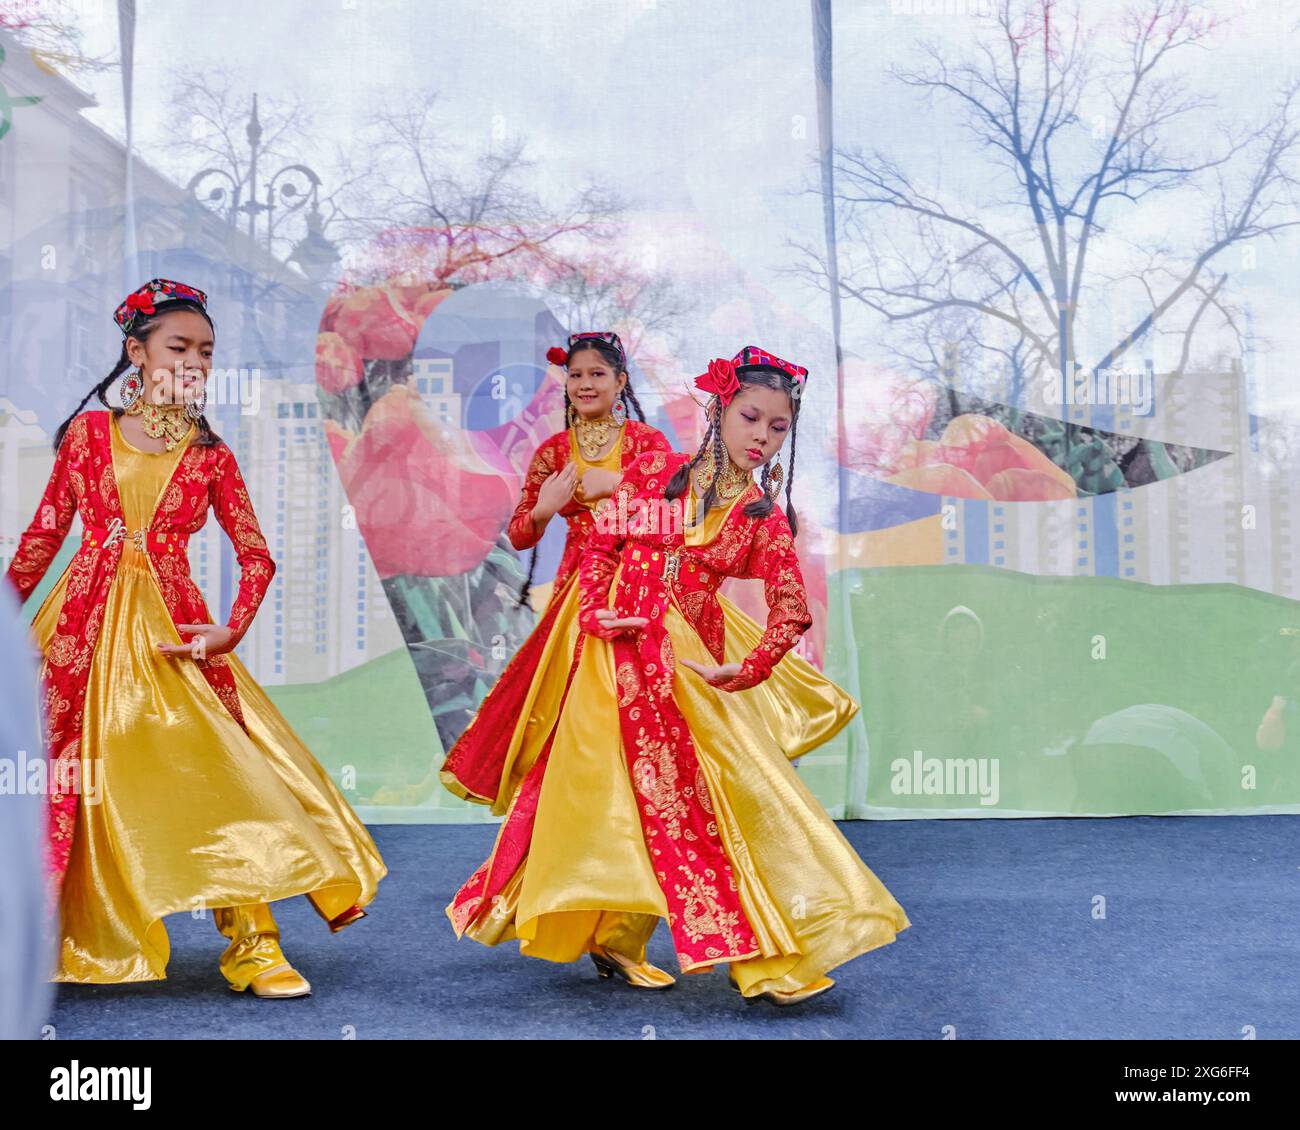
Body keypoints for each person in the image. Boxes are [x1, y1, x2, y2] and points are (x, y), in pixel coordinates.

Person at [446, 346, 909, 1005]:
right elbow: (604, 539)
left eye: (778, 428)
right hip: (618, 664)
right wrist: (606, 614)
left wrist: (745, 669)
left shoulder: (759, 518)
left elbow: (791, 610)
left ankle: (654, 938)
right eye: (751, 417)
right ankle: (743, 958)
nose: (762, 436)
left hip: (693, 672)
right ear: (720, 412)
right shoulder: (666, 477)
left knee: (723, 805)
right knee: (644, 805)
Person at [5, 278, 386, 997]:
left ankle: (255, 944)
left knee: (222, 774)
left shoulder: (210, 455)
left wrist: (229, 630)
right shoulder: (89, 437)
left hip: (176, 636)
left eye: (206, 352)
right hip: (80, 629)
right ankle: (49, 932)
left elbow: (257, 554)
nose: (194, 362)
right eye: (178, 346)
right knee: (62, 780)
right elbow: (40, 540)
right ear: (135, 353)